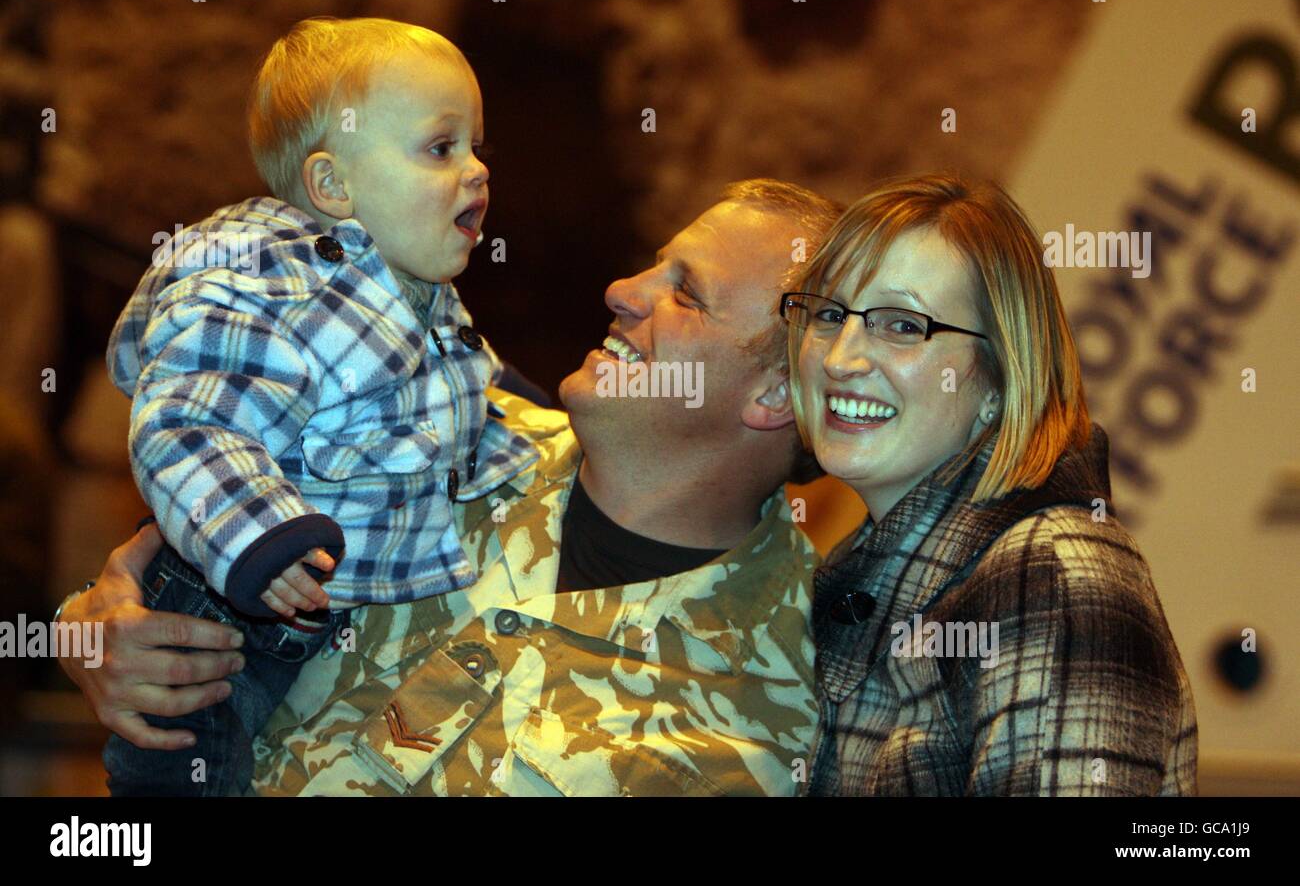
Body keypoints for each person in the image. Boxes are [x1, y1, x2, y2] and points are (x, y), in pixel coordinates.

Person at [61, 179, 846, 796]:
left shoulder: (778, 706)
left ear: (776, 395)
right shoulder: (421, 422)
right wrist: (95, 639)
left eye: (687, 293)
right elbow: (150, 571)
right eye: (654, 262)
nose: (623, 288)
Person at [98, 17, 537, 796]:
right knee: (192, 766)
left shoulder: (418, 289)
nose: (476, 171)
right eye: (442, 148)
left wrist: (530, 431)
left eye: (478, 147)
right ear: (334, 186)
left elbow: (473, 386)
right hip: (229, 603)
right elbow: (187, 423)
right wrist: (261, 538)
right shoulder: (262, 284)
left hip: (329, 617)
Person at [781, 173, 1198, 795]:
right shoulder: (868, 569)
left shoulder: (1054, 570)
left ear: (999, 381)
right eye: (832, 314)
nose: (841, 359)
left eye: (902, 326)